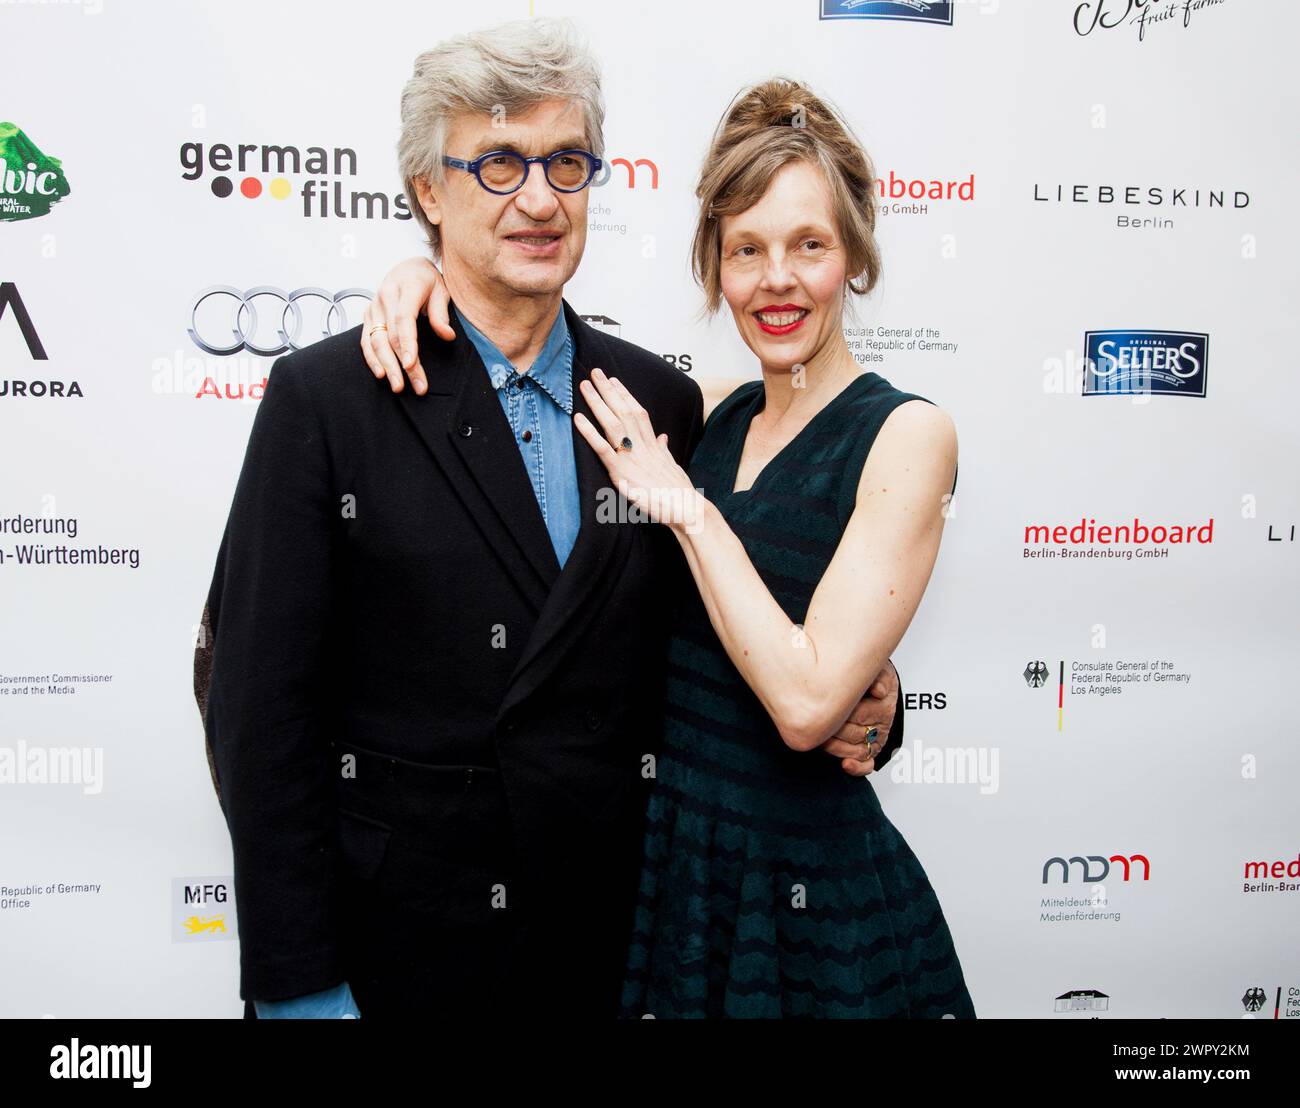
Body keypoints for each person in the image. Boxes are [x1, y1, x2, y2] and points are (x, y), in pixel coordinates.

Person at [194, 17, 902, 1020]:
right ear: (427, 192)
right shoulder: (331, 400)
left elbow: (709, 643)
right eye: (496, 164)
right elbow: (255, 710)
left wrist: (865, 691)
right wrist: (302, 987)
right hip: (400, 964)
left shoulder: (657, 403)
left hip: (616, 954)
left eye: (565, 163)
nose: (537, 198)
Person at [363, 73, 975, 1016]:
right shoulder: (707, 418)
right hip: (684, 884)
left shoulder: (907, 433)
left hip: (808, 899)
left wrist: (686, 508)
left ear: (853, 253)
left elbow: (810, 704)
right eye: (746, 250)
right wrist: (424, 275)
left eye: (808, 245)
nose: (776, 279)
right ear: (714, 269)